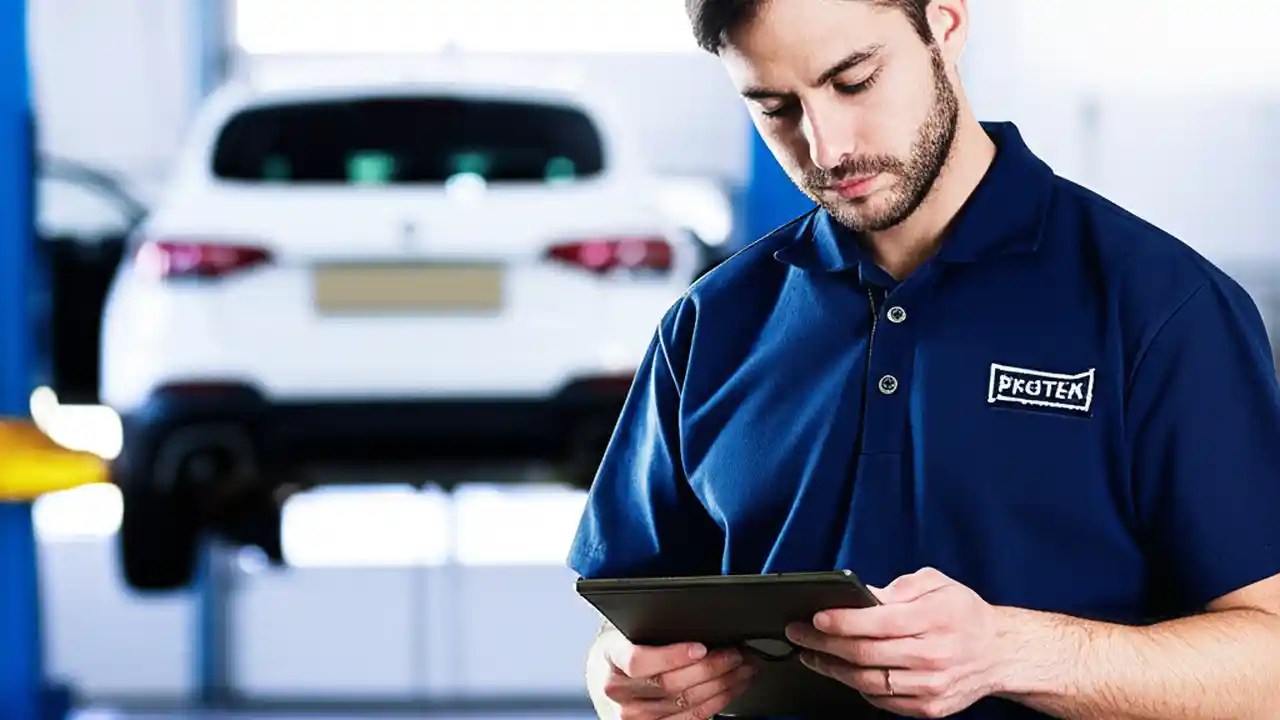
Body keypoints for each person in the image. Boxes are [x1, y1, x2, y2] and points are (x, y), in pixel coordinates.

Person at [566, 0, 1280, 718]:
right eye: (775, 108)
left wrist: (1008, 650)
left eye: (854, 81)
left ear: (946, 23)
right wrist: (626, 682)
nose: (827, 148)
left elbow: (1268, 664)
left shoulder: (1162, 307)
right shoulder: (709, 326)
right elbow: (623, 635)